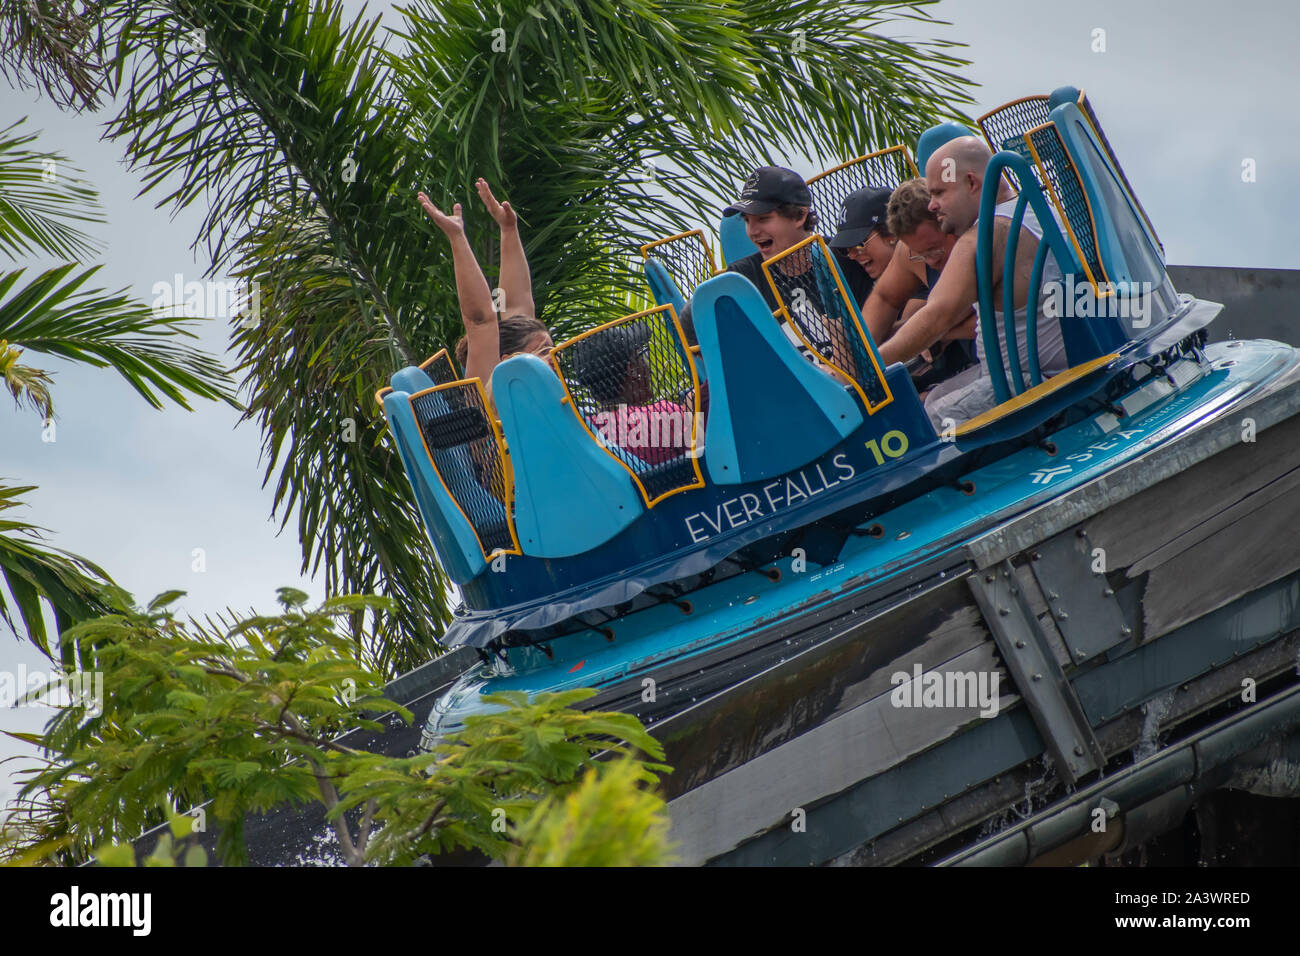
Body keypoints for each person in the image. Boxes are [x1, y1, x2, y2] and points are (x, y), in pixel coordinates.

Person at [876, 137, 1068, 428]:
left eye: (939, 193)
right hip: (1039, 368)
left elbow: (937, 315)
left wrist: (865, 372)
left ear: (971, 182)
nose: (932, 205)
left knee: (920, 426)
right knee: (933, 397)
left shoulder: (986, 235)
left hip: (1032, 380)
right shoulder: (1031, 207)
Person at [417, 178, 553, 399]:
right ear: (504, 361)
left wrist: (508, 229)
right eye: (543, 352)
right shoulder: (489, 392)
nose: (554, 358)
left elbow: (516, 304)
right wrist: (457, 237)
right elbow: (480, 322)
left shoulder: (549, 394)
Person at [858, 178, 978, 394]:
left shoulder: (975, 239)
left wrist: (865, 374)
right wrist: (856, 357)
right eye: (921, 255)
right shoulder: (911, 252)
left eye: (934, 249)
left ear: (948, 223)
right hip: (983, 363)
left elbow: (945, 318)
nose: (930, 261)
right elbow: (884, 297)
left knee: (934, 408)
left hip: (1016, 362)